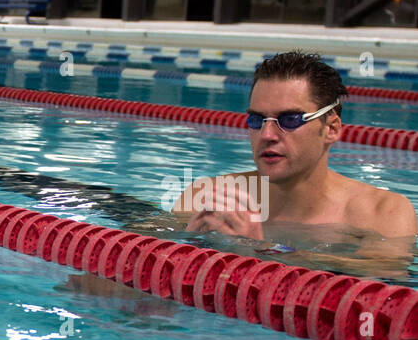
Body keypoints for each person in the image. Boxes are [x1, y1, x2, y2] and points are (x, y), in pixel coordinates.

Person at [68, 51, 415, 297]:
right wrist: (184, 244)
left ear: (332, 128)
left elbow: (381, 295)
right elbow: (119, 258)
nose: (267, 134)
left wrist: (262, 251)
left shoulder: (382, 212)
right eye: (256, 119)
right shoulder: (208, 195)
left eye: (289, 120)